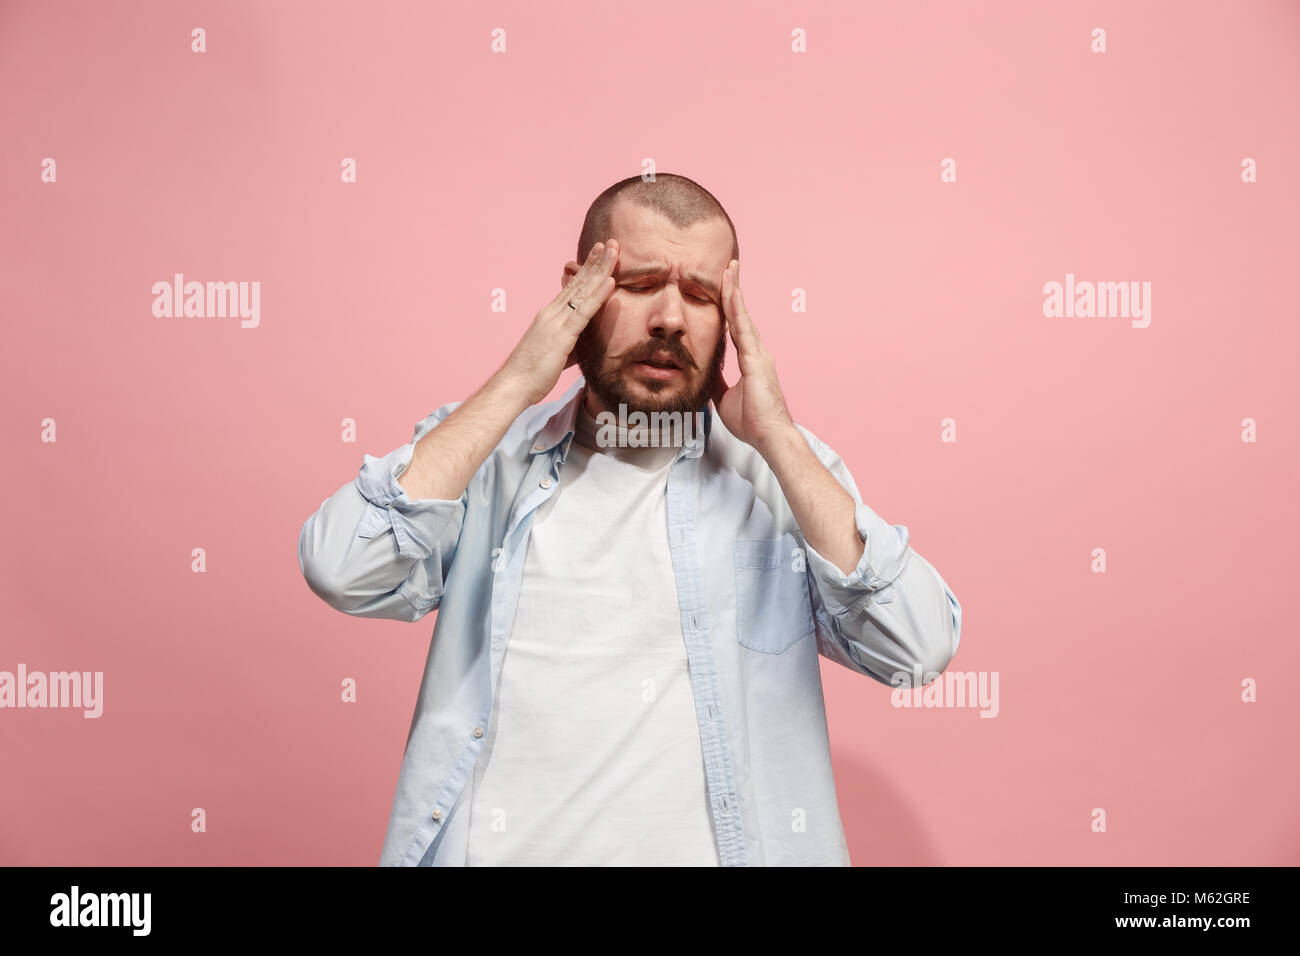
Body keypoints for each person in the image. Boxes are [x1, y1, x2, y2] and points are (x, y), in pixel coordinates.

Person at [297, 173, 963, 866]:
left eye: (701, 295)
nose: (671, 319)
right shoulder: (486, 458)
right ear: (577, 290)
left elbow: (916, 650)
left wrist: (780, 442)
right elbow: (344, 567)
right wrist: (518, 382)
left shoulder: (778, 473)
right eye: (641, 283)